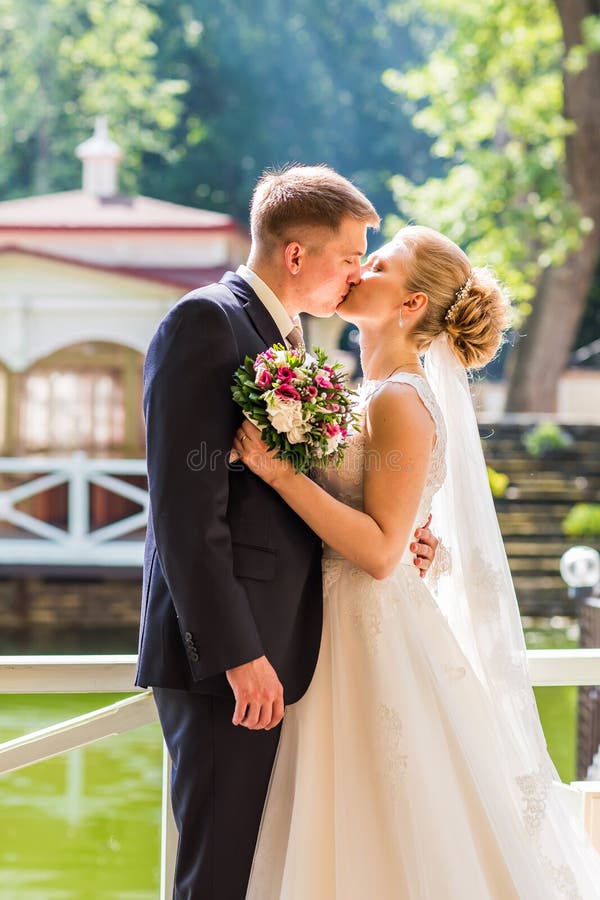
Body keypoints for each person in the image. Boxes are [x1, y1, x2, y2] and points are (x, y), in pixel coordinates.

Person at [235, 225, 600, 899]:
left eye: (377, 264)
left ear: (411, 305)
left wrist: (280, 474)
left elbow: (379, 553)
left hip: (368, 631)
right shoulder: (367, 392)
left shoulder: (401, 399)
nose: (357, 270)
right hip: (335, 622)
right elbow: (390, 533)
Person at [135, 168, 440, 900]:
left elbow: (304, 502)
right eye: (350, 257)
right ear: (296, 254)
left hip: (292, 656)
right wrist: (237, 654)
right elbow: (184, 514)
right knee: (219, 878)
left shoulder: (286, 341)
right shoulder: (206, 322)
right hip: (230, 667)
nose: (356, 274)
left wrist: (398, 543)